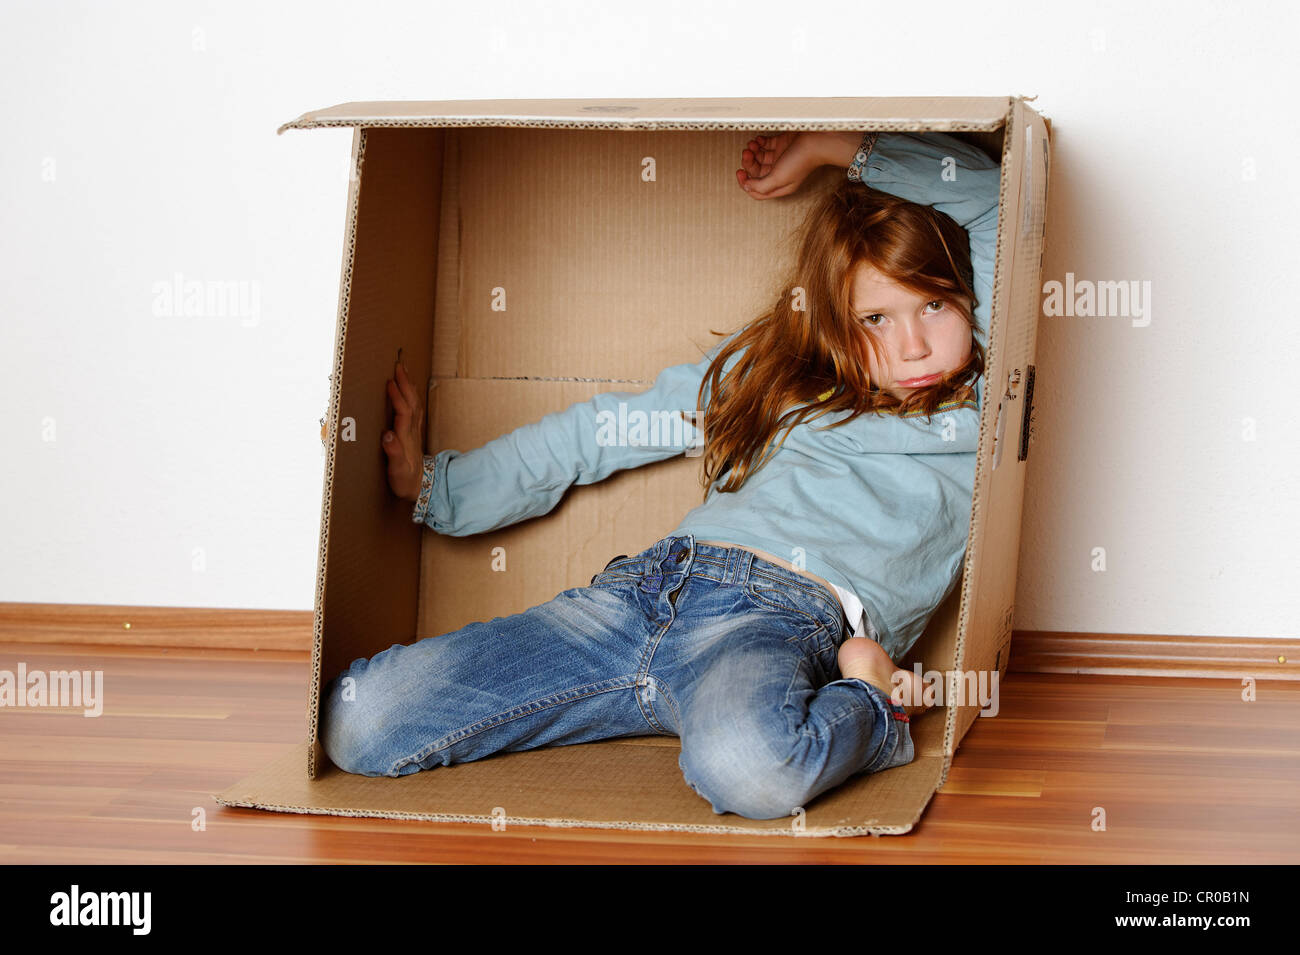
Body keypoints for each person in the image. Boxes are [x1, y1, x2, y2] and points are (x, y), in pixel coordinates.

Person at [320, 129, 1000, 821]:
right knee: (359, 720)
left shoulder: (982, 404)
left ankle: (873, 702)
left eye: (934, 305)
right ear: (830, 320)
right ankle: (667, 697)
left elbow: (995, 203)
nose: (912, 343)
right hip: (651, 590)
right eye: (875, 318)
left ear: (969, 301)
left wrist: (834, 148)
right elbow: (603, 431)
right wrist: (436, 486)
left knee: (753, 770)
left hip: (788, 623)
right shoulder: (782, 381)